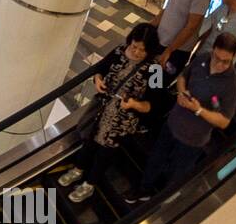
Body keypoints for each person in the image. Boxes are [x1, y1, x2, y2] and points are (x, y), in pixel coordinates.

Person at [128, 32, 236, 204]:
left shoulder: (232, 83)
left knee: (176, 174)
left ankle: (161, 204)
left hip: (193, 140)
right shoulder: (202, 59)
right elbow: (182, 78)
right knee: (155, 158)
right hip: (172, 124)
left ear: (233, 57)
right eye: (216, 57)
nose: (219, 64)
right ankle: (143, 190)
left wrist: (198, 110)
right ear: (212, 51)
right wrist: (182, 92)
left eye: (225, 61)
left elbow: (224, 121)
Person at [56, 23, 160, 203]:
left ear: (150, 50)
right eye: (134, 47)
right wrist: (98, 80)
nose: (135, 52)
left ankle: (90, 184)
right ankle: (78, 169)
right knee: (90, 141)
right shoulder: (120, 51)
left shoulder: (155, 69)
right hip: (102, 110)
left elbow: (156, 103)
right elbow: (100, 70)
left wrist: (135, 104)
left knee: (105, 152)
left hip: (122, 121)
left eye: (141, 50)